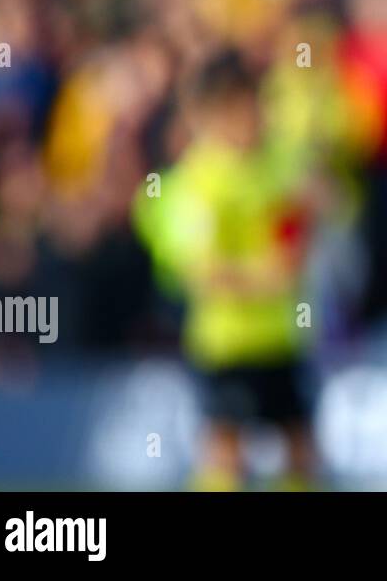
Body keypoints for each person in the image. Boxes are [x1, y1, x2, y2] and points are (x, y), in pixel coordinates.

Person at [133, 50, 317, 490]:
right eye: (237, 106)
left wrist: (295, 244)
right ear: (213, 114)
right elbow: (200, 272)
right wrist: (265, 277)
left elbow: (295, 234)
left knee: (300, 450)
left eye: (253, 103)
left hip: (283, 337)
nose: (251, 116)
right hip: (225, 344)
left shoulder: (281, 165)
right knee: (225, 455)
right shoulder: (197, 181)